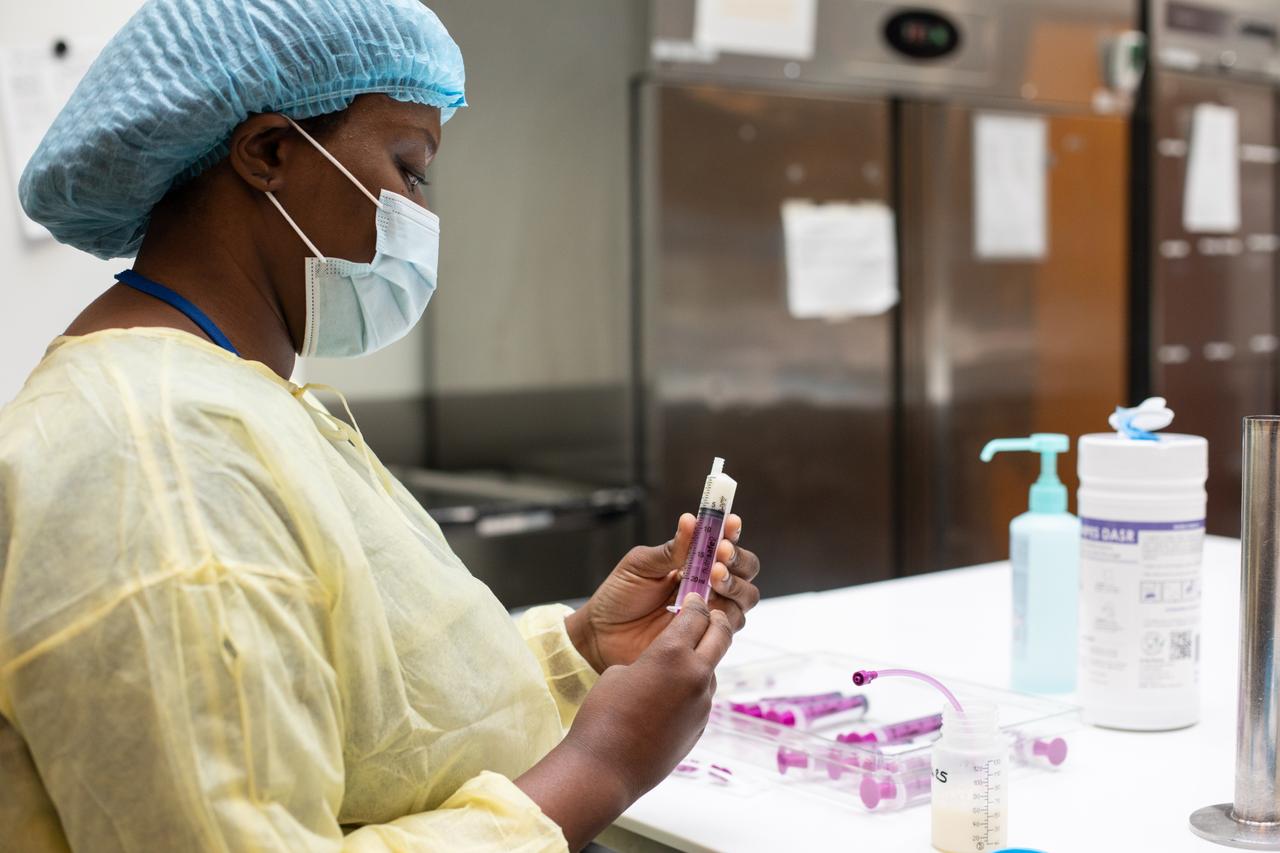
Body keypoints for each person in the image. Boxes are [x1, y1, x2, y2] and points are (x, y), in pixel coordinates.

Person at [0, 1, 762, 850]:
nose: (421, 216)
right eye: (410, 167)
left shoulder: (226, 401)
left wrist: (582, 647)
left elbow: (356, 698)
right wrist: (601, 765)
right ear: (269, 153)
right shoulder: (157, 454)